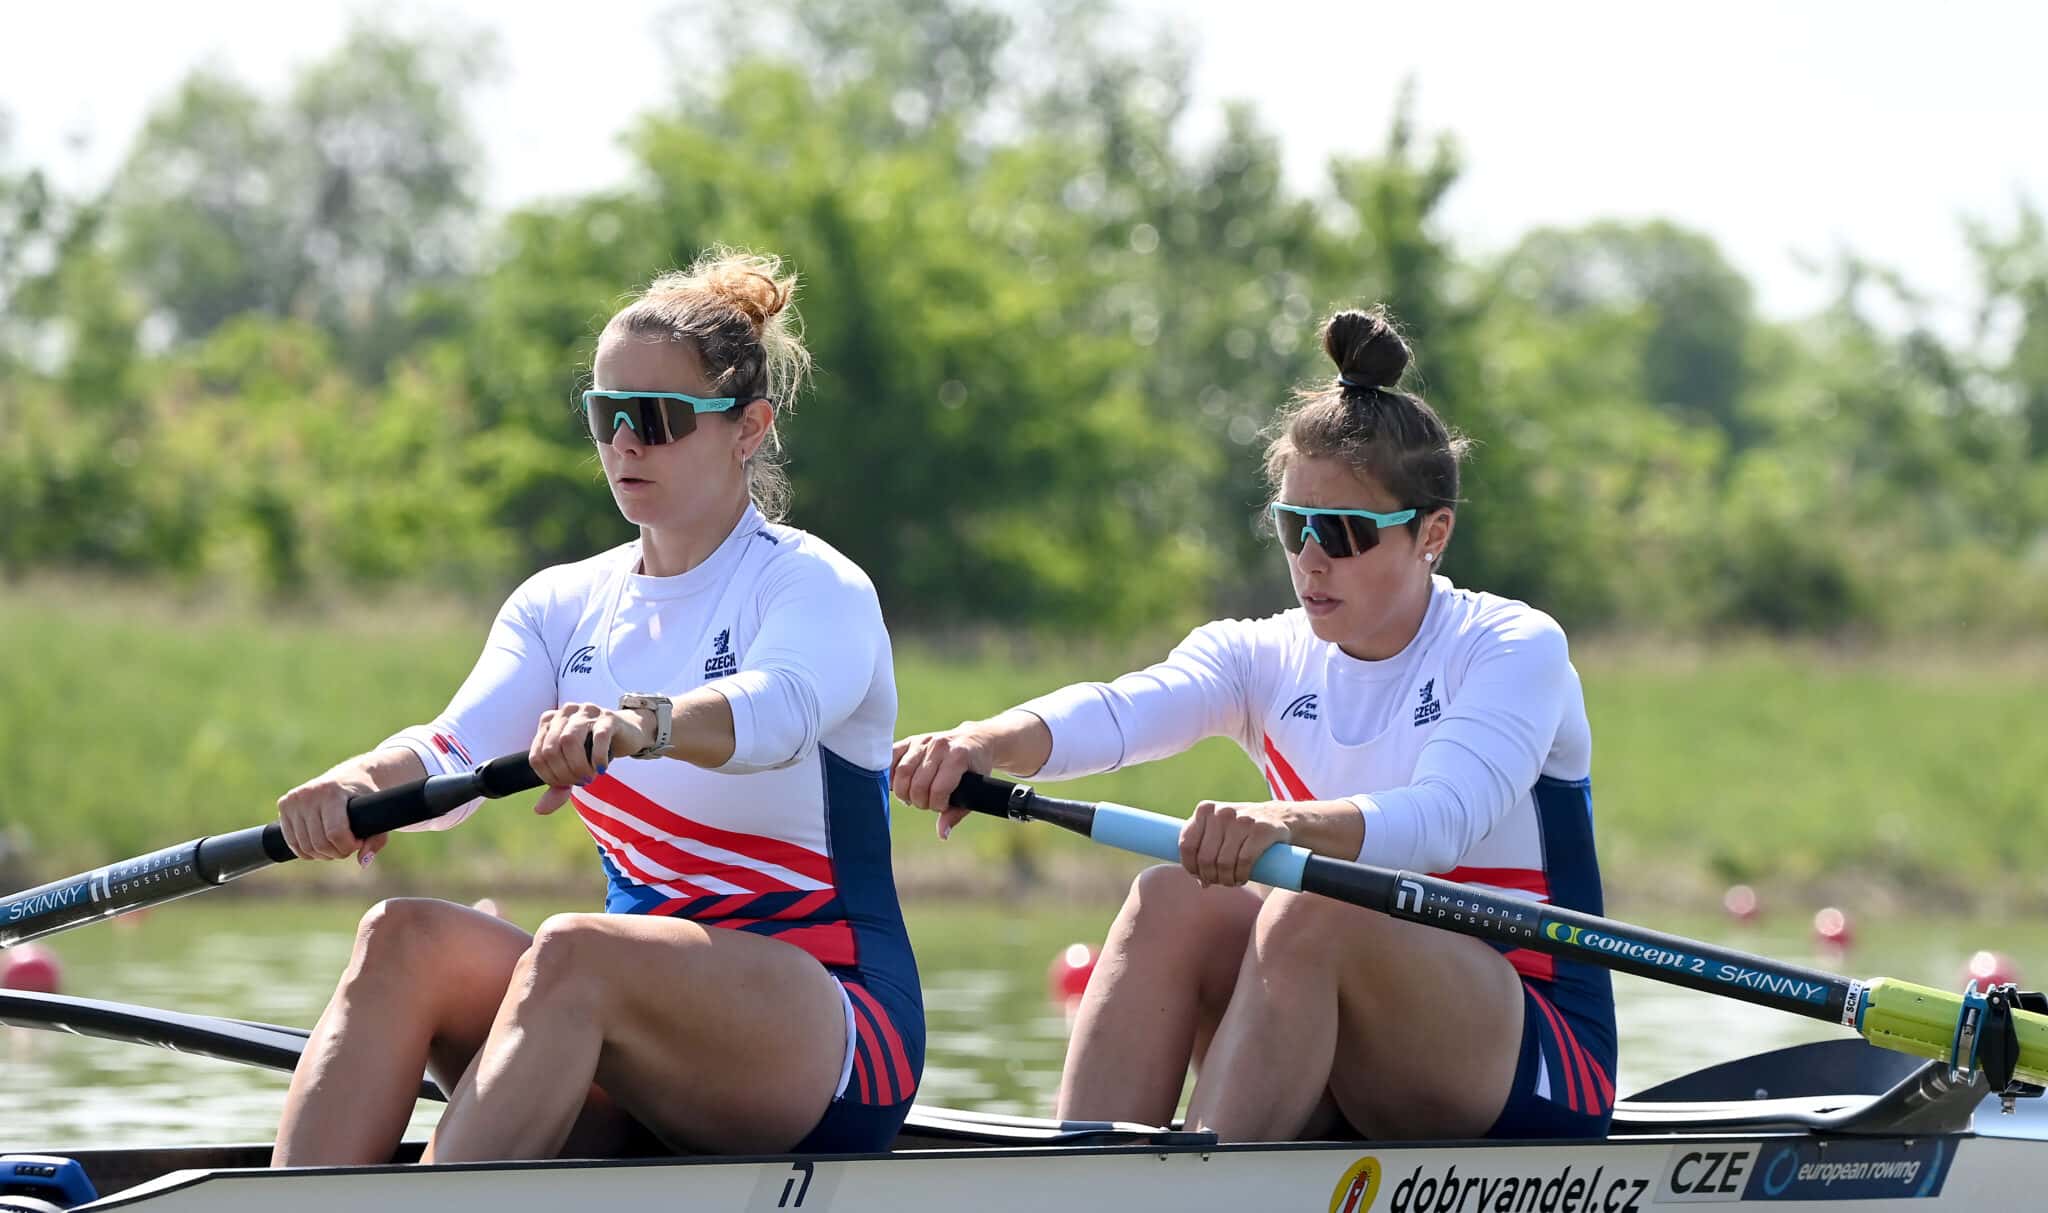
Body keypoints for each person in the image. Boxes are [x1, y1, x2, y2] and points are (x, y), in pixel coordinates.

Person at [893, 307, 1613, 1143]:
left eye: (1343, 533)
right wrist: (985, 741)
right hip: (1340, 1025)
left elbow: (1439, 820)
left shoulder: (1511, 646)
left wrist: (1281, 824)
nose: (1310, 559)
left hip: (1531, 1052)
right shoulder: (1263, 653)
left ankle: (1197, 1192)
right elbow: (1123, 710)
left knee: (1317, 907)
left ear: (1433, 533)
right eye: (1292, 526)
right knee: (1173, 895)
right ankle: (1085, 1179)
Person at [271, 250, 921, 1165]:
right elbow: (455, 752)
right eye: (606, 415)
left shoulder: (814, 586)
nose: (624, 444)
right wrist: (360, 778)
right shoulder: (559, 604)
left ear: (748, 428)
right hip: (629, 1029)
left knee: (575, 949)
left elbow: (777, 709)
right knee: (401, 935)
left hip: (836, 1031)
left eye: (656, 419)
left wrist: (637, 725)